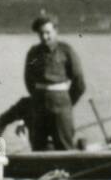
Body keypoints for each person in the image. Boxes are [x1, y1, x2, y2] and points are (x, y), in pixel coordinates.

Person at [23, 13, 86, 150]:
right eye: (41, 33)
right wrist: (39, 97)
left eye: (48, 33)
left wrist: (66, 102)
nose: (44, 37)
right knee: (37, 146)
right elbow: (28, 81)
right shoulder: (33, 53)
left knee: (64, 145)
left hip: (61, 106)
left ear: (56, 31)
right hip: (39, 106)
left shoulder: (66, 51)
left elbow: (79, 83)